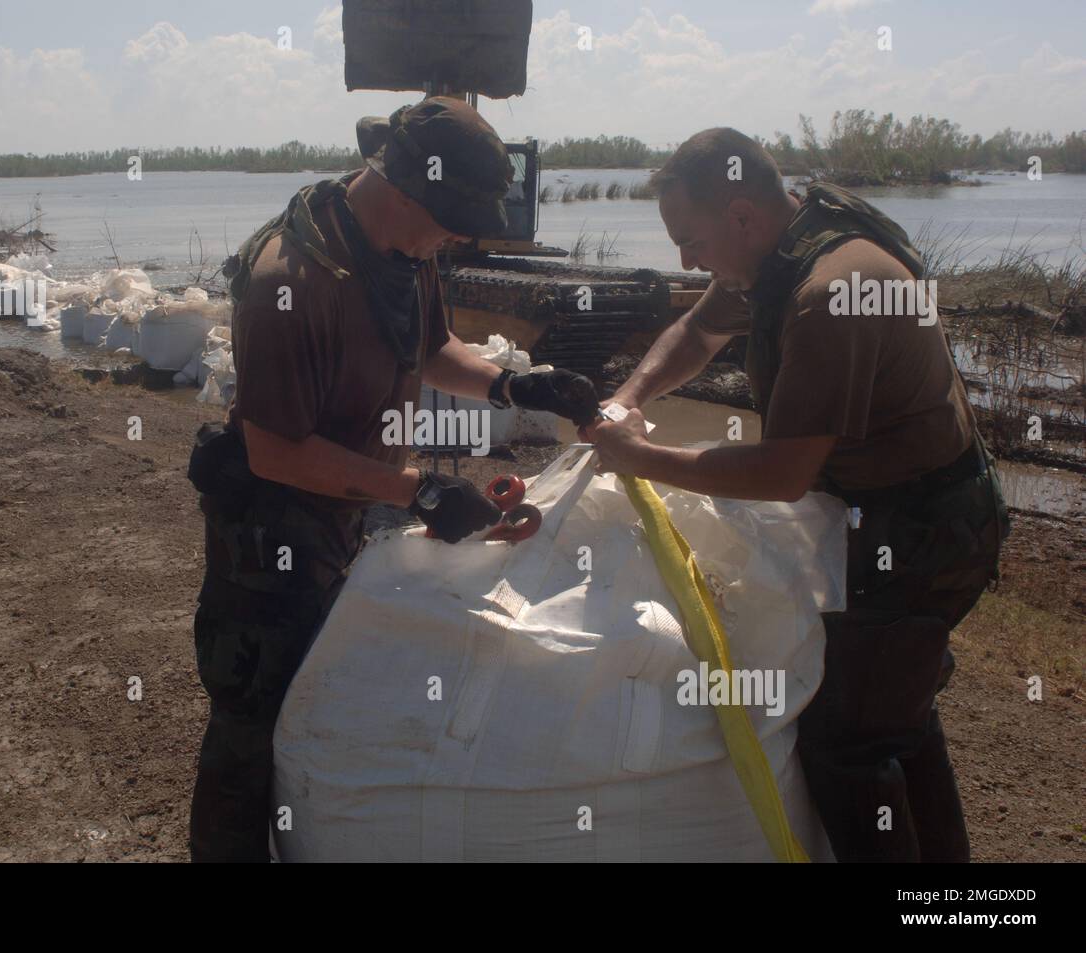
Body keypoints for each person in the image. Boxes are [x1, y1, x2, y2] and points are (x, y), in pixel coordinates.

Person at [187, 96, 600, 862]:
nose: (456, 240)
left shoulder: (407, 253)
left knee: (324, 699)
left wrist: (515, 386)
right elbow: (277, 450)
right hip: (270, 532)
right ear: (408, 192)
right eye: (450, 224)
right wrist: (419, 490)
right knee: (250, 727)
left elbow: (432, 345)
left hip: (353, 509)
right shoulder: (291, 277)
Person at [583, 127, 1009, 862]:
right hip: (896, 514)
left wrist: (642, 458)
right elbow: (699, 327)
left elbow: (782, 473)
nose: (685, 260)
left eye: (690, 240)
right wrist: (624, 401)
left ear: (742, 216)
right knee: (896, 716)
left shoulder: (828, 293)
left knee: (846, 738)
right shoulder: (780, 245)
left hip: (927, 532)